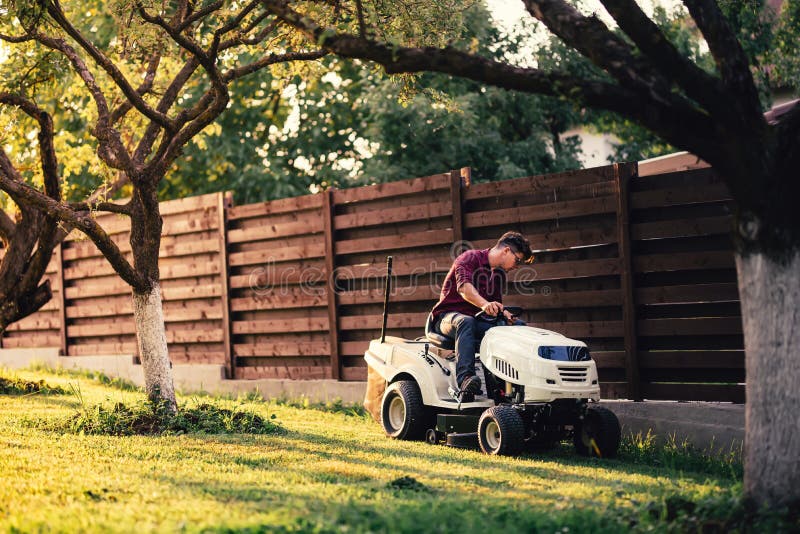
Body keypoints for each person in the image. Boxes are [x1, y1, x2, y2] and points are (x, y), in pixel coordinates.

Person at [430, 231, 534, 400]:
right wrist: (485, 304)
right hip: (446, 319)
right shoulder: (470, 258)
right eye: (518, 260)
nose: (517, 266)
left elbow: (494, 305)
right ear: (506, 251)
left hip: (476, 321)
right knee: (466, 321)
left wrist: (503, 313)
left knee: (517, 328)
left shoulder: (498, 275)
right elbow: (464, 288)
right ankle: (466, 380)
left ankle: (508, 387)